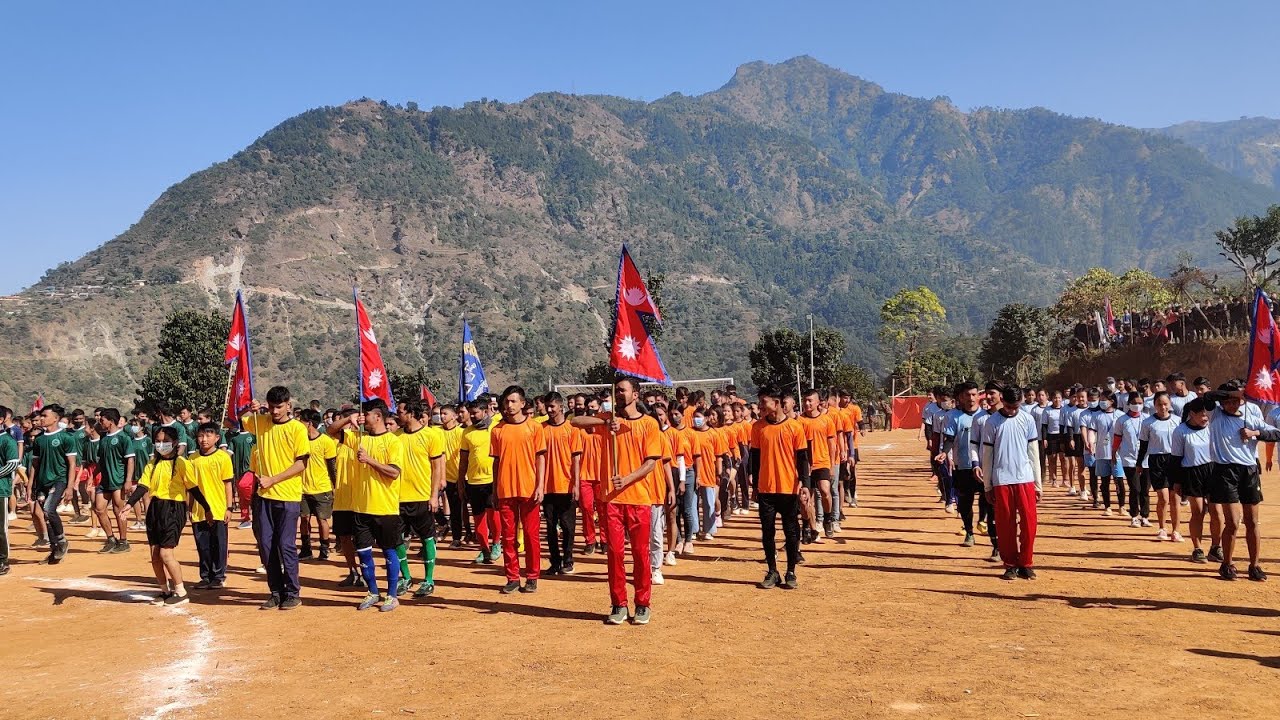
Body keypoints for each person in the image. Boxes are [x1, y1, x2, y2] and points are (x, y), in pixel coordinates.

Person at [572, 376, 663, 625]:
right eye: (617, 391)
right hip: (611, 500)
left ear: (636, 394)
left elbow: (651, 462)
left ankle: (642, 603)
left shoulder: (649, 424)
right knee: (614, 554)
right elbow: (575, 421)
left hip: (639, 498)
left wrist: (628, 478)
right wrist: (605, 421)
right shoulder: (607, 420)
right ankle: (618, 604)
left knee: (641, 554)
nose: (619, 394)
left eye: (623, 390)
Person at [328, 400, 406, 610]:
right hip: (361, 508)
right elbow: (331, 431)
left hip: (385, 508)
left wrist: (369, 460)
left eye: (367, 414)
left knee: (389, 551)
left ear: (378, 416)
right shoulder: (358, 438)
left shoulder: (393, 441)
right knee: (363, 552)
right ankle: (372, 592)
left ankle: (392, 595)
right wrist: (348, 418)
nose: (363, 417)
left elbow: (394, 472)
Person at [243, 386, 311, 610]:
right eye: (271, 407)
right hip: (264, 497)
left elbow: (301, 463)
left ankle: (292, 592)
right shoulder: (260, 422)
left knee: (286, 545)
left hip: (288, 496)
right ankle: (275, 591)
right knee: (266, 545)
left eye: (279, 407)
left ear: (288, 405)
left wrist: (273, 479)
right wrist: (248, 407)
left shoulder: (297, 429)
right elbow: (231, 420)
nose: (275, 411)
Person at [126, 426, 210, 606]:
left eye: (165, 441)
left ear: (174, 442)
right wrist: (129, 505)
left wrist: (207, 508)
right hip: (155, 508)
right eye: (158, 441)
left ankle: (181, 592)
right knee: (155, 554)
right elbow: (143, 486)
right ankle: (165, 591)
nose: (161, 444)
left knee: (166, 553)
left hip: (173, 508)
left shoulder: (181, 463)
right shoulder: (152, 463)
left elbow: (193, 488)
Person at [1206, 384, 1278, 581]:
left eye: (1236, 401)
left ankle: (1254, 565)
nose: (1232, 405)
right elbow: (1208, 396)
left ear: (1242, 401)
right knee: (1232, 522)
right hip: (1225, 471)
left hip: (1249, 471)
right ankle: (1227, 564)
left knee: (1252, 521)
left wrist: (1255, 433)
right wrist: (1237, 393)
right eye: (1228, 401)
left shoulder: (1251, 418)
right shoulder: (1216, 415)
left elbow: (1277, 433)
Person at [979, 385, 1043, 580]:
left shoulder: (1028, 419)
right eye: (1009, 407)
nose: (1012, 411)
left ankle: (1026, 563)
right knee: (1005, 526)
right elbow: (987, 456)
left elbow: (1034, 453)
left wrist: (1038, 484)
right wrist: (988, 485)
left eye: (1016, 407)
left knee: (1029, 525)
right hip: (1002, 479)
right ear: (1002, 401)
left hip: (1025, 479)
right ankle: (1010, 564)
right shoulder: (992, 422)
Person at [751, 384, 809, 589]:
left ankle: (791, 571)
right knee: (767, 532)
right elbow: (755, 459)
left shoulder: (794, 427)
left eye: (763, 402)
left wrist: (805, 484)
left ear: (776, 403)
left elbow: (802, 458)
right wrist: (755, 486)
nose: (760, 406)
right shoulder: (757, 427)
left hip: (788, 488)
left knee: (791, 531)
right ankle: (772, 571)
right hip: (766, 489)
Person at [490, 386, 547, 594]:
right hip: (505, 490)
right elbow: (496, 462)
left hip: (529, 490)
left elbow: (541, 458)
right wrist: (495, 490)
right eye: (507, 401)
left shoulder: (534, 427)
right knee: (508, 537)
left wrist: (540, 485)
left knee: (531, 536)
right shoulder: (497, 430)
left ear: (523, 404)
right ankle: (512, 577)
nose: (509, 405)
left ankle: (532, 576)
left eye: (513, 401)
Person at [396, 400, 445, 598]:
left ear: (410, 413)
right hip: (398, 499)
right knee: (398, 540)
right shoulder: (395, 437)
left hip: (422, 497)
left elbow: (436, 468)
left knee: (427, 538)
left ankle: (428, 580)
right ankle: (406, 577)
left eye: (400, 411)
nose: (397, 414)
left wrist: (434, 497)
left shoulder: (431, 436)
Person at [30, 404, 78, 565]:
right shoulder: (39, 439)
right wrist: (30, 485)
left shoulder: (66, 438)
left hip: (59, 480)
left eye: (45, 416)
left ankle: (62, 541)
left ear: (56, 418)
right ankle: (54, 550)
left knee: (49, 510)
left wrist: (70, 487)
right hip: (42, 482)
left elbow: (72, 464)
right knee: (45, 515)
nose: (41, 418)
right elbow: (35, 465)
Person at [188, 422, 234, 590]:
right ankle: (205, 576)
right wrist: (190, 508)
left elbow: (228, 484)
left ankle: (219, 576)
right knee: (203, 546)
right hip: (199, 511)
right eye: (201, 436)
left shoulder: (223, 457)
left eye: (208, 435)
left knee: (219, 544)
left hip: (218, 510)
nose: (204, 439)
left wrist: (229, 507)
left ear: (217, 438)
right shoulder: (192, 459)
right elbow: (190, 487)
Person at [541, 392, 582, 576]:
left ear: (560, 406)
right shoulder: (541, 429)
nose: (549, 410)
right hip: (547, 486)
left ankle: (568, 560)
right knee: (550, 526)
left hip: (566, 485)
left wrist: (576, 484)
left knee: (567, 525)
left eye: (552, 406)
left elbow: (576, 459)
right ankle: (555, 561)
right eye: (547, 406)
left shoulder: (572, 429)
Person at [1171, 398, 1214, 563]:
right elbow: (1176, 458)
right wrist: (1177, 481)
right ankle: (1198, 549)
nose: (1205, 418)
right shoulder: (1180, 431)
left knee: (1216, 512)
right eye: (1202, 415)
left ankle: (1216, 547)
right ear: (1192, 414)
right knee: (1198, 512)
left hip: (1212, 470)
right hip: (1192, 472)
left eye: (1207, 414)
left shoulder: (1212, 427)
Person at [459, 398, 500, 564]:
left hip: (492, 480)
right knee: (478, 518)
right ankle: (484, 549)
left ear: (484, 411)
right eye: (471, 413)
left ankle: (496, 543)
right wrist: (461, 481)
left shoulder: (496, 428)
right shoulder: (467, 432)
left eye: (475, 413)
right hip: (474, 482)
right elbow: (463, 460)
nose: (472, 416)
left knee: (494, 516)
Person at [1139, 392, 1182, 541]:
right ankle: (1162, 528)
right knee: (1163, 497)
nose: (1163, 407)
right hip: (1156, 460)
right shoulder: (1148, 423)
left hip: (1174, 460)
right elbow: (1143, 445)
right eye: (1159, 404)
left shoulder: (1178, 421)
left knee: (1175, 498)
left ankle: (1176, 531)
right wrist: (1139, 463)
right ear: (1154, 405)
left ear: (1170, 404)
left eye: (1165, 404)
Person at [298, 410, 337, 561]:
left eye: (301, 421)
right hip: (302, 488)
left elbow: (332, 467)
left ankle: (324, 548)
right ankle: (306, 548)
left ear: (309, 423)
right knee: (304, 519)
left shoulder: (326, 441)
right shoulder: (300, 440)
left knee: (322, 520)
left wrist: (335, 486)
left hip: (322, 488)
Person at [798, 389, 837, 541]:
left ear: (817, 402)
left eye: (810, 401)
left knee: (825, 490)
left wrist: (832, 465)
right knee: (806, 499)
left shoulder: (826, 420)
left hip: (822, 462)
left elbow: (831, 444)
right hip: (805, 465)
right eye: (805, 400)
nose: (807, 403)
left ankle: (828, 518)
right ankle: (808, 526)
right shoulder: (799, 421)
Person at [1113, 395, 1149, 528]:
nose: (1137, 405)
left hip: (1146, 458)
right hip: (1129, 458)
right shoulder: (1122, 420)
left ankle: (1145, 516)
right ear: (1128, 404)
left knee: (1145, 489)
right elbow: (1117, 438)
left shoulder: (1147, 419)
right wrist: (1113, 452)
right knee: (1135, 488)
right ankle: (1134, 516)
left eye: (1140, 402)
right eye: (1134, 402)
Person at [438, 405, 469, 548]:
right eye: (441, 413)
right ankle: (443, 524)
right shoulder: (436, 432)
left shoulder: (461, 433)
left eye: (445, 413)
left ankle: (457, 537)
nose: (442, 416)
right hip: (438, 477)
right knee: (428, 505)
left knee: (456, 509)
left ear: (454, 416)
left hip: (455, 477)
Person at [0, 407, 17, 576]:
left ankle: (3, 561)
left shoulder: (7, 440)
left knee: (0, 528)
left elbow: (12, 464)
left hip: (1, 489)